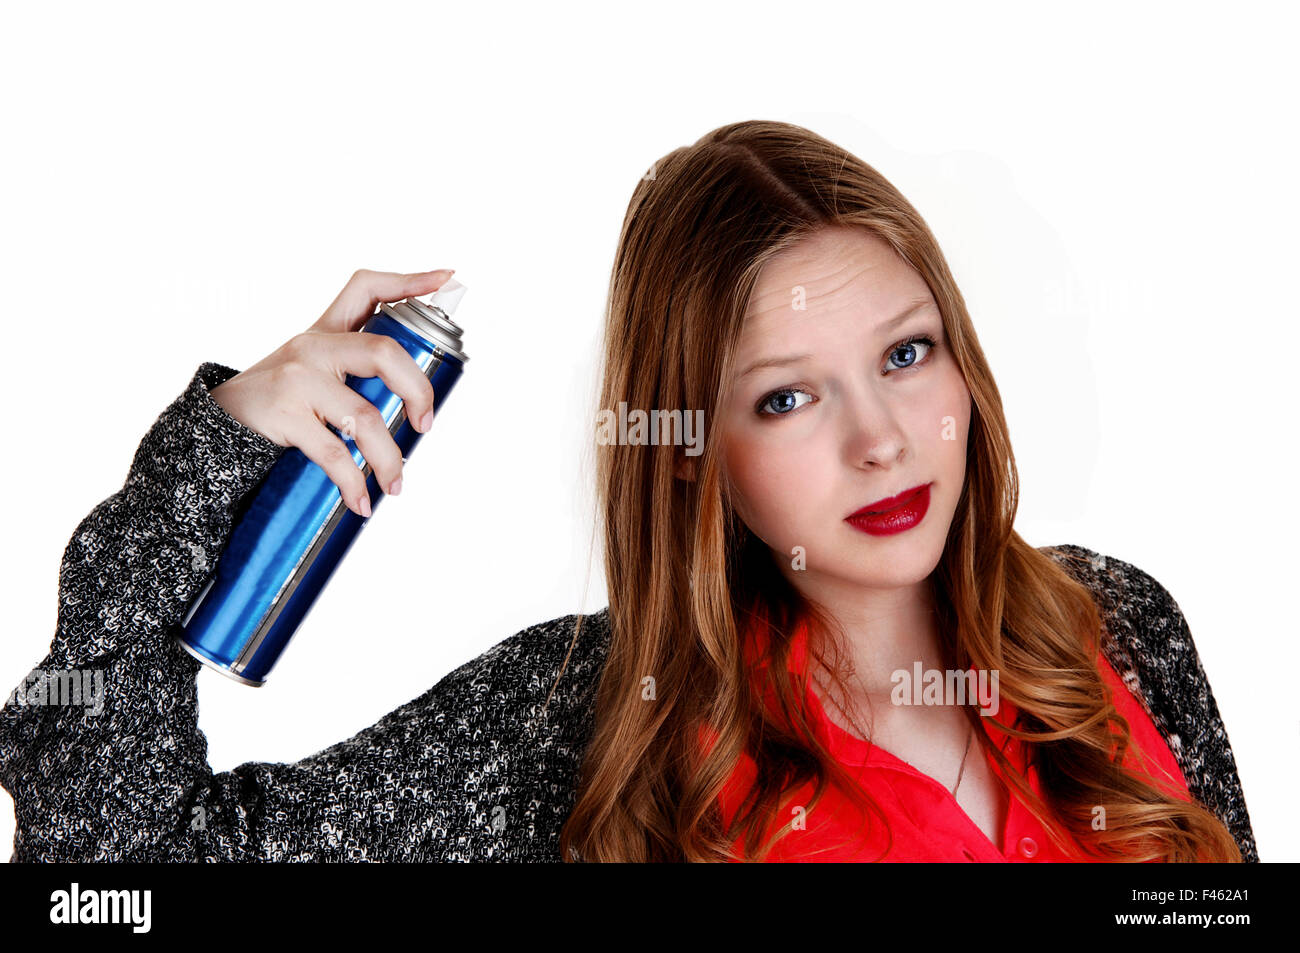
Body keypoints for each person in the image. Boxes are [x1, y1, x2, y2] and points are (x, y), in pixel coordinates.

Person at [0, 120, 1256, 862]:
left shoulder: (1117, 632)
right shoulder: (584, 727)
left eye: (905, 353)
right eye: (786, 397)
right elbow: (113, 871)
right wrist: (206, 461)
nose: (882, 439)